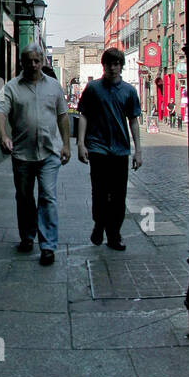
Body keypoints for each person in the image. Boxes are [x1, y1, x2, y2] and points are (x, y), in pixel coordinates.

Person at [0, 50, 70, 265]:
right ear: (22, 63)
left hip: (49, 153)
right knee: (24, 196)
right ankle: (27, 237)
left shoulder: (54, 86)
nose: (34, 65)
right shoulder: (11, 87)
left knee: (48, 196)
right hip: (22, 154)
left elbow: (63, 115)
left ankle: (48, 245)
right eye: (29, 61)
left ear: (43, 61)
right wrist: (3, 136)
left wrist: (66, 144)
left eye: (38, 61)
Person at [74, 46, 145, 250]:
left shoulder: (129, 91)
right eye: (109, 64)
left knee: (118, 195)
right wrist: (81, 144)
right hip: (98, 148)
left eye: (116, 64)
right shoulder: (93, 88)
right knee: (99, 192)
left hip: (120, 150)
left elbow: (133, 120)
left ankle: (114, 233)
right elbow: (84, 115)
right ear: (103, 65)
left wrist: (138, 150)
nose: (113, 68)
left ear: (121, 66)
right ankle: (99, 224)